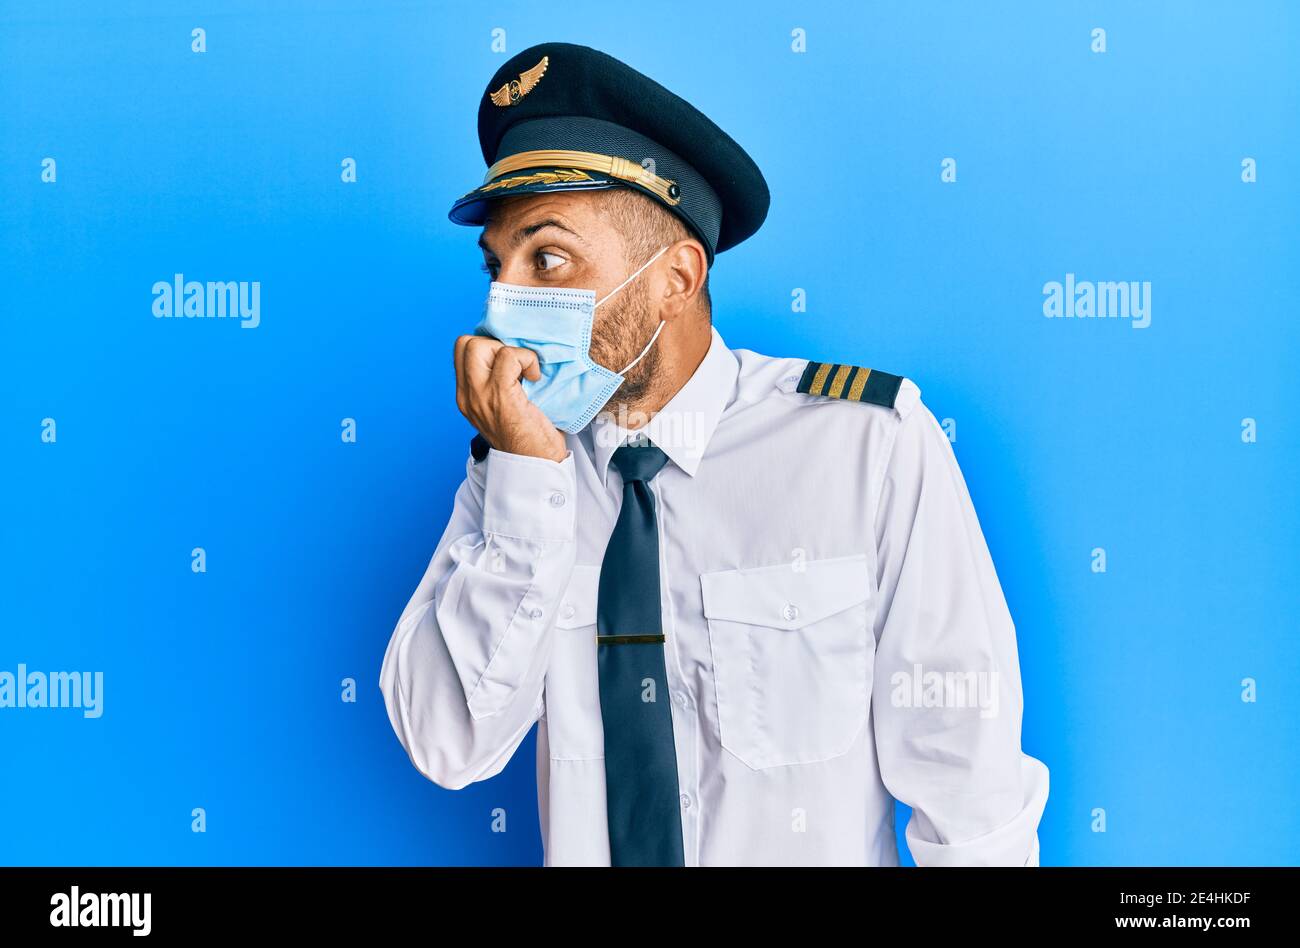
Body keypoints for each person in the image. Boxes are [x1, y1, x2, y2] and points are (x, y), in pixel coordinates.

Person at [378, 41, 1049, 866]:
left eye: (547, 258)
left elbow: (969, 782)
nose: (501, 303)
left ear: (677, 278)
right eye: (498, 266)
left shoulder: (867, 441)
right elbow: (446, 746)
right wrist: (521, 478)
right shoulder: (518, 470)